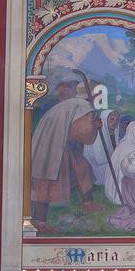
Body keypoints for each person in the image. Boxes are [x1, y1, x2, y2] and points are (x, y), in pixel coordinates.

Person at [30, 95, 102, 230]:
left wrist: (94, 122)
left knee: (82, 167)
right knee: (46, 176)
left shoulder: (77, 105)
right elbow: (84, 131)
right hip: (52, 139)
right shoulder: (85, 108)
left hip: (64, 138)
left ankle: (88, 203)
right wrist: (96, 125)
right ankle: (40, 222)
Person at [83, 108, 124, 204]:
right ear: (104, 120)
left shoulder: (116, 135)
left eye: (117, 120)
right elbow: (99, 159)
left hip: (111, 164)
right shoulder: (96, 136)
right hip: (98, 169)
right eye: (112, 119)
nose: (115, 122)